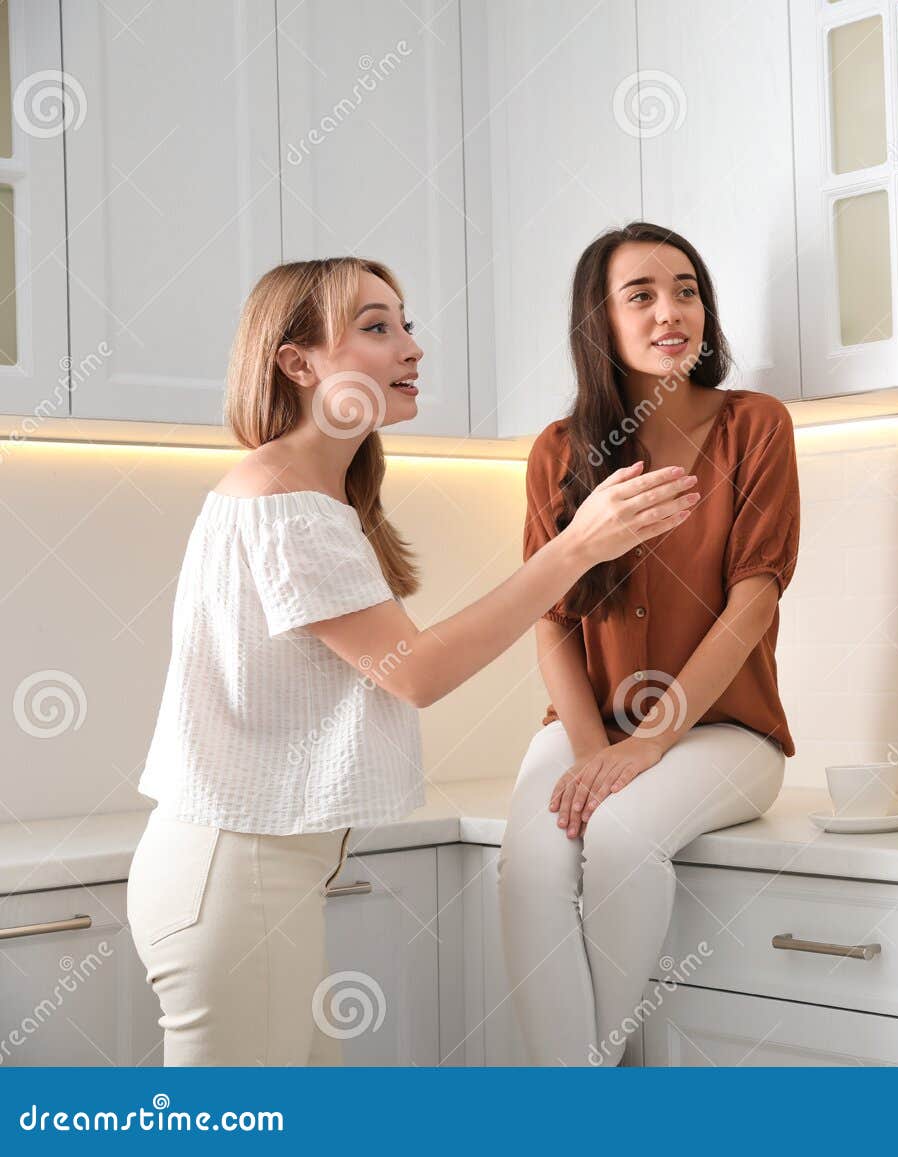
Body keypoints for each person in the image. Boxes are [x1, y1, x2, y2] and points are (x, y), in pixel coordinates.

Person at [128, 256, 698, 1065]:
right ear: (297, 362)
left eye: (407, 324)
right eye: (375, 327)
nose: (411, 347)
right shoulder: (286, 500)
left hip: (251, 871)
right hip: (235, 872)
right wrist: (577, 547)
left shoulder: (307, 493)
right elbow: (417, 670)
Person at [498, 222, 801, 1066]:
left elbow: (753, 601)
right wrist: (596, 750)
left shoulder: (755, 426)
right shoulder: (560, 452)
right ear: (600, 320)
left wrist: (651, 743)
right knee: (529, 860)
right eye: (642, 295)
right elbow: (550, 615)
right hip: (586, 722)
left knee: (624, 836)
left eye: (687, 289)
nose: (673, 312)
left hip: (727, 731)